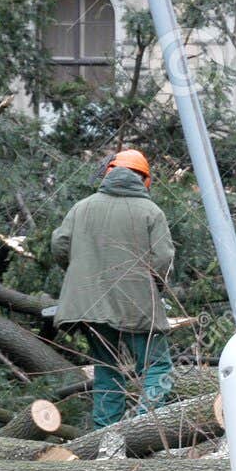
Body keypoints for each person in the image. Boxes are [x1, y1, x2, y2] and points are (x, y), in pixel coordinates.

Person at [52, 149, 176, 430]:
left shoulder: (81, 207)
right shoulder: (151, 212)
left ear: (108, 173)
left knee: (107, 367)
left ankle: (106, 435)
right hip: (136, 303)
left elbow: (59, 245)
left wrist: (84, 276)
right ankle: (143, 428)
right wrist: (154, 288)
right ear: (145, 180)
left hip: (87, 306)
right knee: (157, 367)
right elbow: (163, 259)